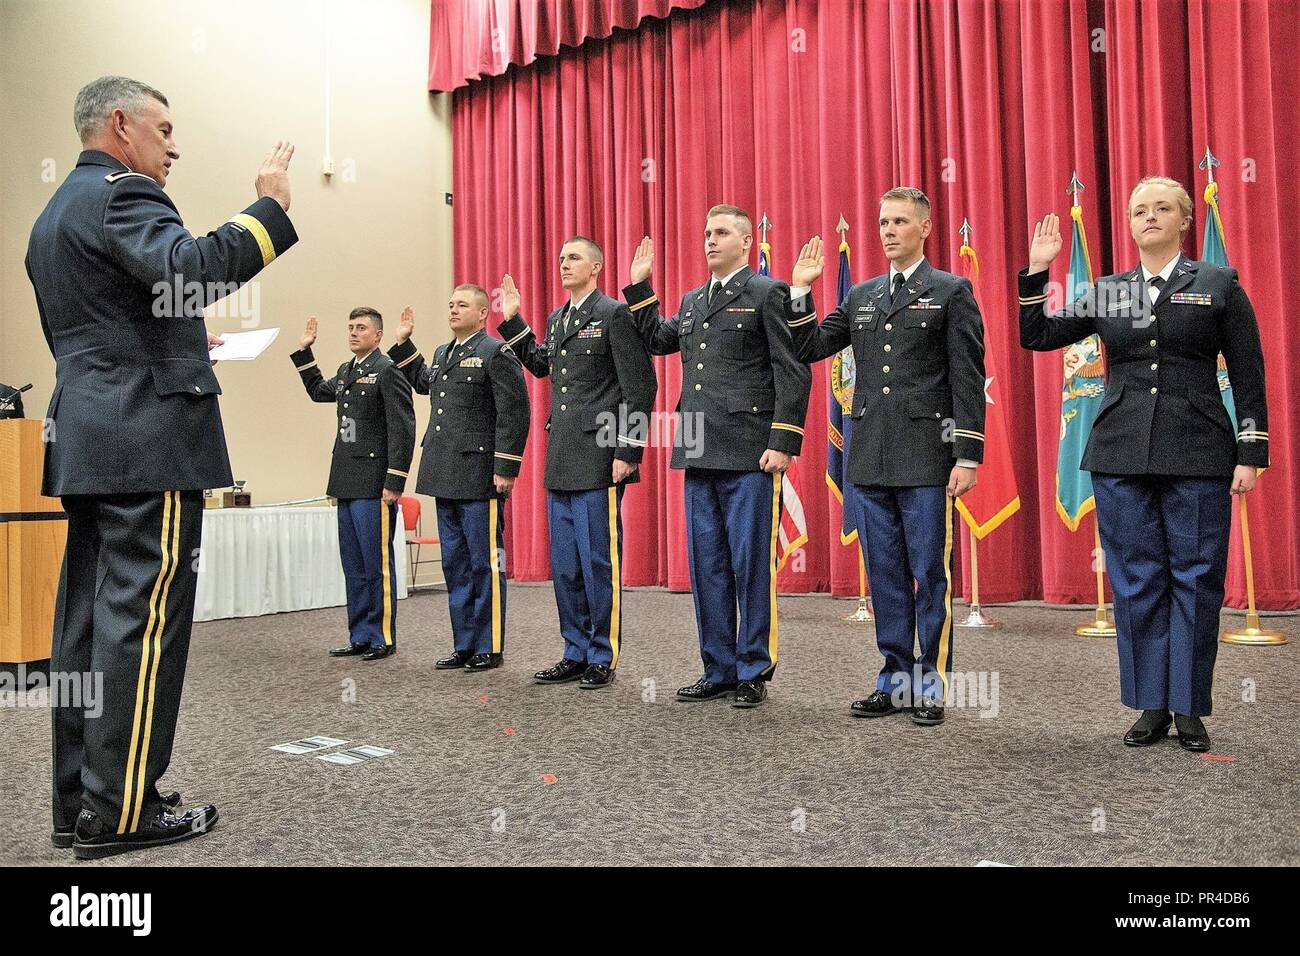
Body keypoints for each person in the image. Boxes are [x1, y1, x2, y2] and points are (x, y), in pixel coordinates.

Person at [26, 75, 297, 858]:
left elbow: (107, 323)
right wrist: (269, 208)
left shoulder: (54, 214)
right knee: (141, 625)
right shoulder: (124, 194)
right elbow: (194, 271)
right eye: (165, 129)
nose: (173, 146)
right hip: (148, 438)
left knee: (86, 624)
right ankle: (121, 815)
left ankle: (82, 799)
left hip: (90, 433)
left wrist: (179, 341)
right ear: (120, 124)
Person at [1019, 177, 1268, 752]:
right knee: (1136, 579)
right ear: (1129, 225)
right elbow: (1039, 336)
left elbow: (1249, 370)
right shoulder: (1110, 290)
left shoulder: (1216, 282)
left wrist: (1250, 449)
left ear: (1185, 220)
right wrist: (1038, 271)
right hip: (1121, 452)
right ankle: (1151, 702)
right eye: (1138, 211)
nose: (1149, 217)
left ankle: (1189, 705)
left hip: (1199, 449)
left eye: (1161, 209)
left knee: (1196, 577)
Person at [788, 187, 986, 726]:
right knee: (885, 573)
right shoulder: (862, 296)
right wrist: (801, 292)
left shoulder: (950, 290)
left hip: (927, 455)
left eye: (900, 221)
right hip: (870, 455)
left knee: (928, 570)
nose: (888, 230)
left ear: (924, 228)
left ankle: (931, 682)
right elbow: (810, 349)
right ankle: (895, 679)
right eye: (882, 221)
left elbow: (967, 380)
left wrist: (967, 454)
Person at [622, 205, 811, 709]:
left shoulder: (767, 294)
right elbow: (659, 341)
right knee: (707, 566)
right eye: (706, 232)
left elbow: (791, 370)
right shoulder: (690, 300)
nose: (710, 240)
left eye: (721, 232)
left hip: (751, 449)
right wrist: (641, 287)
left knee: (751, 566)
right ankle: (718, 667)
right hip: (700, 445)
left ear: (746, 242)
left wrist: (784, 439)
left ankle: (753, 668)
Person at [496, 237, 657, 690]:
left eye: (573, 258)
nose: (564, 263)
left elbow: (640, 386)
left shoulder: (613, 314)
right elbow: (543, 366)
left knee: (597, 561)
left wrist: (628, 450)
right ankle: (574, 649)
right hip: (564, 453)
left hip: (601, 455)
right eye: (561, 257)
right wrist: (514, 322)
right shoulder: (558, 318)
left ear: (597, 267)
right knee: (565, 563)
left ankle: (602, 654)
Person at [388, 289, 530, 671]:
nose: (453, 309)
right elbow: (425, 383)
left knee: (483, 562)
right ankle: (464, 643)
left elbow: (514, 411)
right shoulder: (442, 353)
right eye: (450, 303)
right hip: (443, 471)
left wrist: (506, 466)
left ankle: (489, 644)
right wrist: (404, 344)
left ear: (483, 313)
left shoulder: (495, 353)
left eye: (462, 304)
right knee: (456, 564)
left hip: (478, 473)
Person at [290, 308, 416, 661]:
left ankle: (382, 636)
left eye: (361, 328)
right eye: (350, 327)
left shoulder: (387, 370)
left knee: (376, 563)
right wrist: (305, 352)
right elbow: (318, 391)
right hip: (346, 479)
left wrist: (395, 479)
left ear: (377, 335)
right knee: (354, 564)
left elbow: (402, 426)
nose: (354, 332)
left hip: (374, 482)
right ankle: (360, 633)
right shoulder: (348, 370)